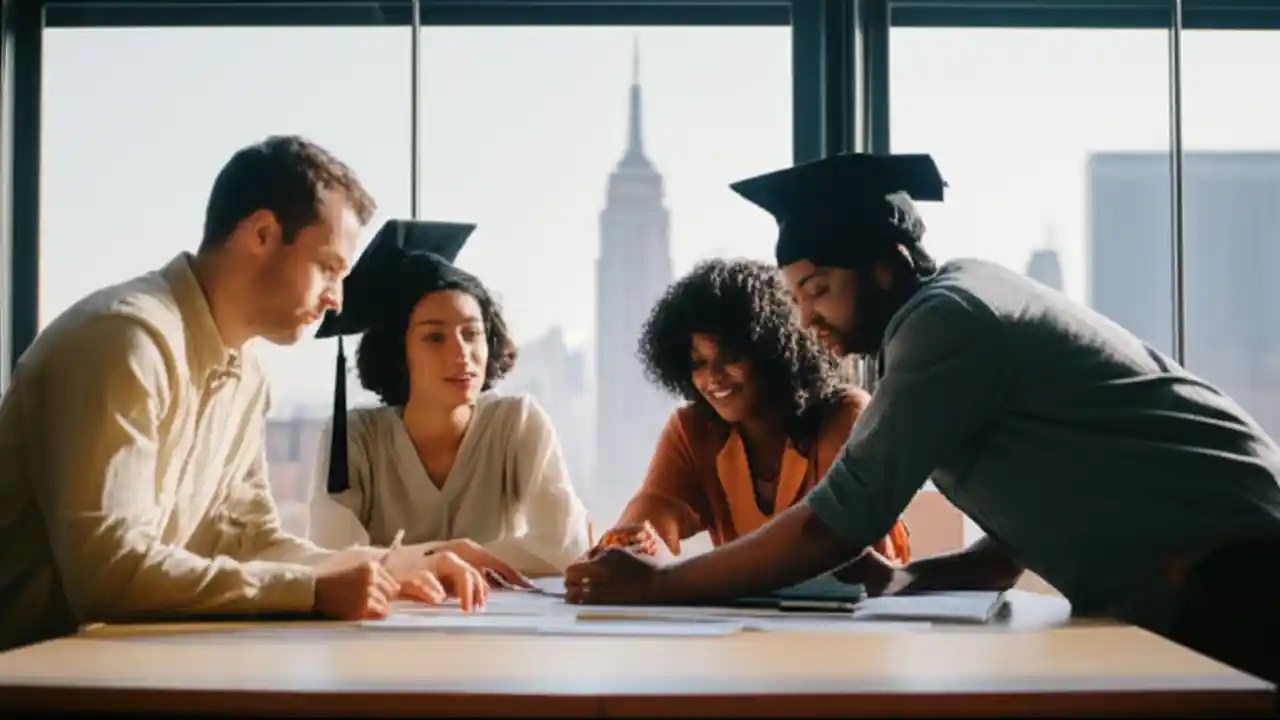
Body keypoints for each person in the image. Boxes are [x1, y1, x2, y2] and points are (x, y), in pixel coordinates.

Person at [565, 152, 1280, 684]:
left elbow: (836, 523)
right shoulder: (953, 308)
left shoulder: (944, 322)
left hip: (1232, 566)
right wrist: (907, 583)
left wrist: (659, 586)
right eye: (797, 298)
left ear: (888, 263)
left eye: (819, 289)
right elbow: (1018, 534)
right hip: (1209, 563)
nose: (807, 319)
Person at [0, 135, 487, 651]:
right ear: (261, 234)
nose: (337, 300)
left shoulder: (247, 375)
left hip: (108, 664)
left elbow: (251, 542)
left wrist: (388, 567)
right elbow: (108, 575)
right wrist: (312, 592)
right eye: (328, 268)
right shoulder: (126, 341)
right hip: (29, 669)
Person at [308, 219, 590, 580]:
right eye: (434, 338)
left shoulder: (516, 422)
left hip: (495, 614)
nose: (461, 354)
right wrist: (445, 558)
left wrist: (444, 557)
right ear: (398, 351)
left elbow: (566, 547)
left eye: (472, 334)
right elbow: (334, 558)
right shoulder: (354, 438)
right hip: (390, 615)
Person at [595, 257, 909, 566]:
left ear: (772, 351)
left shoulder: (844, 415)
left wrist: (677, 582)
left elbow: (847, 553)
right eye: (698, 363)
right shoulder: (693, 430)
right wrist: (629, 547)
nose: (713, 377)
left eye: (730, 356)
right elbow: (653, 510)